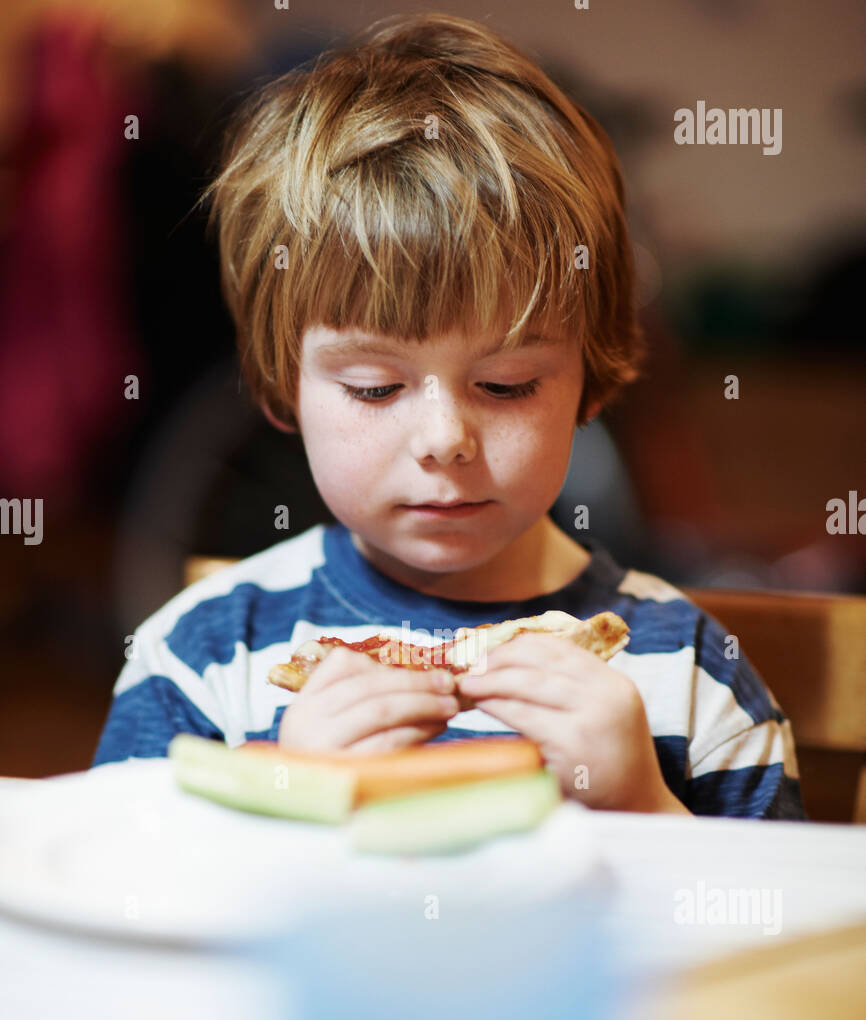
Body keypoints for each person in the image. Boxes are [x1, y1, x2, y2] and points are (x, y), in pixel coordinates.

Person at [92, 14, 804, 819]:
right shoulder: (202, 660)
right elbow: (124, 902)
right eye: (372, 386)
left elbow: (781, 933)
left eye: (505, 386)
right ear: (282, 387)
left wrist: (644, 805)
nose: (443, 442)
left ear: (592, 383)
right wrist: (280, 797)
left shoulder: (688, 674)